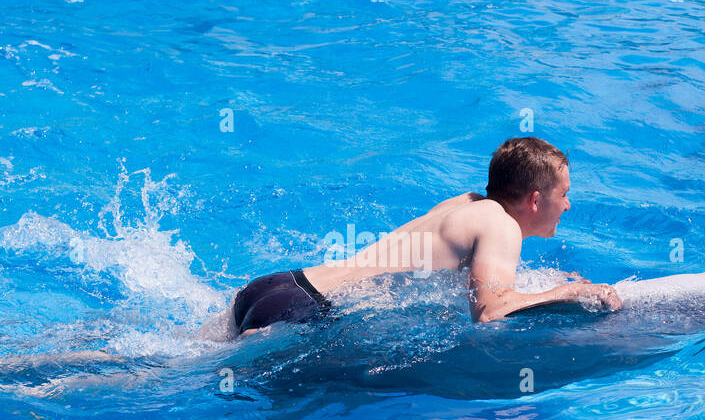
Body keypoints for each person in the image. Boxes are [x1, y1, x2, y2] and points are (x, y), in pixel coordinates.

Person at [231, 137, 622, 335]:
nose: (568, 205)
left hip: (280, 285)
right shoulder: (502, 225)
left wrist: (544, 286)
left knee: (178, 361)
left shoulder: (466, 204)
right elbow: (490, 312)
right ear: (536, 200)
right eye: (564, 194)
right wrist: (568, 294)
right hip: (303, 315)